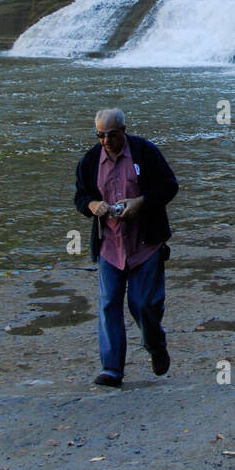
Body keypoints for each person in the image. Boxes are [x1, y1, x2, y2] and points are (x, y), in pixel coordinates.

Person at [75, 108, 178, 388]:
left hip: (145, 243)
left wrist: (141, 202)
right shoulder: (90, 161)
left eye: (111, 135)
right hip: (110, 244)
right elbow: (81, 196)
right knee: (109, 305)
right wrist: (93, 206)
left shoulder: (146, 152)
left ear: (124, 130)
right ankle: (111, 369)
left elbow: (170, 186)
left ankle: (155, 345)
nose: (105, 141)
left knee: (143, 304)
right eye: (100, 135)